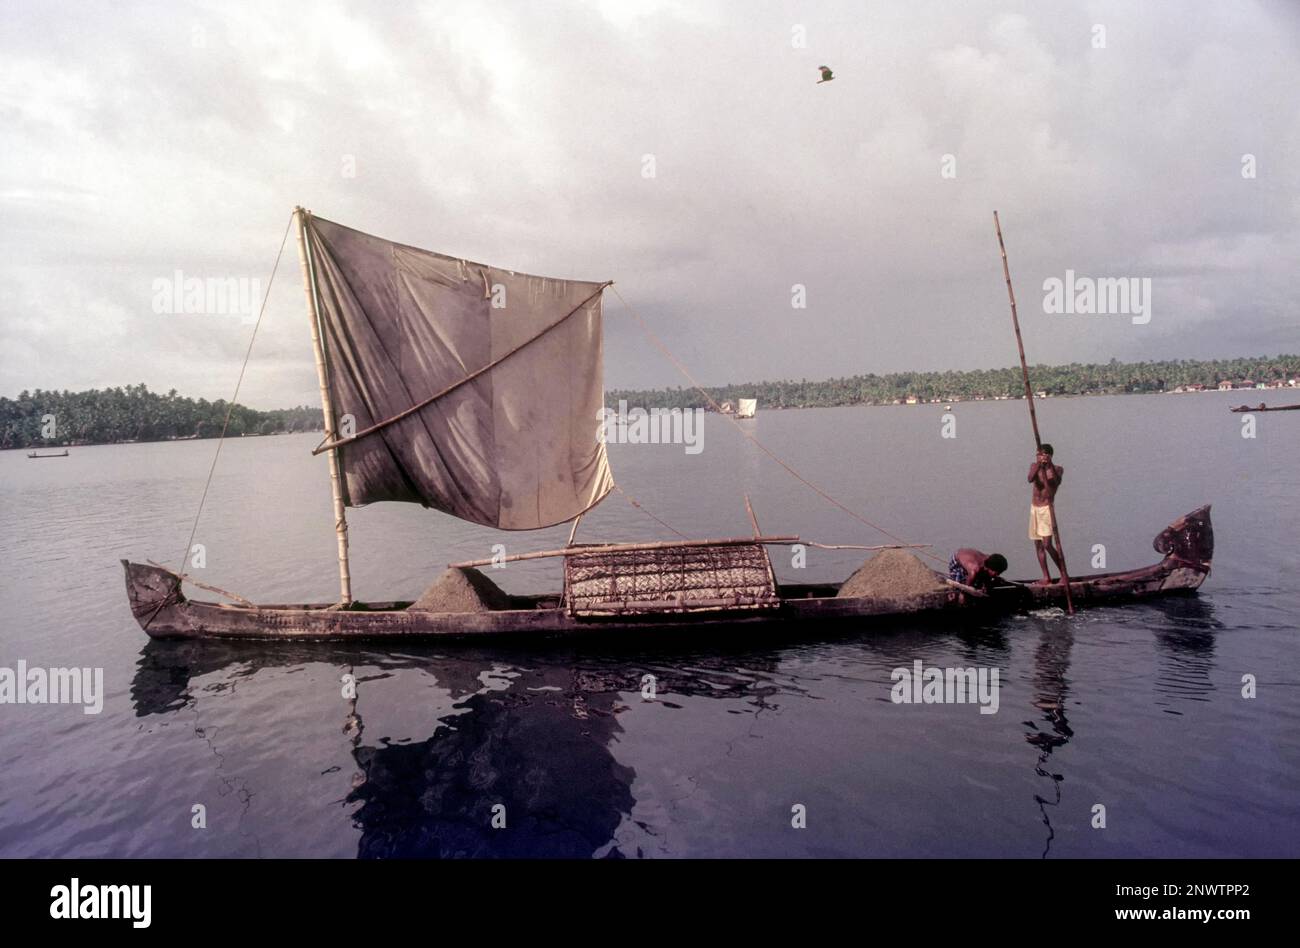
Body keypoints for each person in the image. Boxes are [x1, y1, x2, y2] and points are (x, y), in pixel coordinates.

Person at [1028, 443, 1065, 584]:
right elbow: (1030, 479)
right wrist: (1039, 465)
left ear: (1049, 455)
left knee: (1047, 544)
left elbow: (1056, 482)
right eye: (1038, 454)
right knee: (1038, 545)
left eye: (1043, 455)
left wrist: (1049, 465)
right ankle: (1046, 577)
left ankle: (1063, 574)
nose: (1040, 457)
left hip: (1046, 509)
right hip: (1034, 508)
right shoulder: (1034, 466)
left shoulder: (1057, 469)